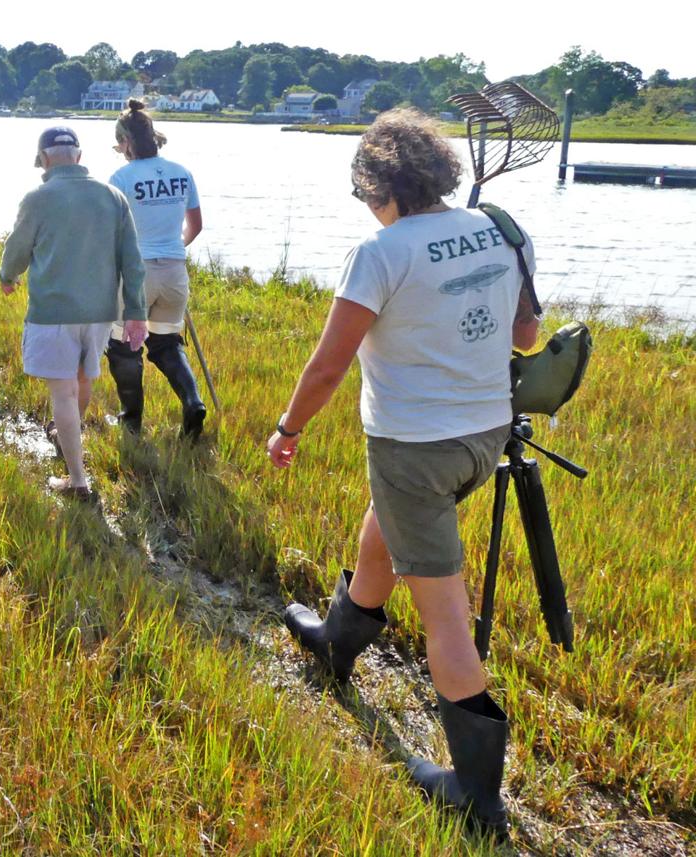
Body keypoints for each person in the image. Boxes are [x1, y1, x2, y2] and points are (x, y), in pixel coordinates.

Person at [266, 109, 540, 835]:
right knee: (383, 532)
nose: (367, 209)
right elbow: (525, 333)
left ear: (381, 186)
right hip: (483, 435)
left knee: (443, 611)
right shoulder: (505, 232)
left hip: (415, 446)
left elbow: (329, 363)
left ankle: (475, 793)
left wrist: (288, 428)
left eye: (365, 195)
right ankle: (335, 640)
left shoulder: (381, 252)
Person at [0, 126, 148, 502]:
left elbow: (17, 250)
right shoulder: (112, 196)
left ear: (44, 159)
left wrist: (7, 276)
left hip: (54, 312)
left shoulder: (38, 197)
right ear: (79, 157)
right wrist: (136, 313)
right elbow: (133, 261)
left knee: (63, 392)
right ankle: (70, 439)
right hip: (99, 314)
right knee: (82, 381)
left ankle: (77, 481)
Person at [107, 99, 206, 439]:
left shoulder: (121, 176)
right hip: (174, 273)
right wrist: (173, 249)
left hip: (137, 275)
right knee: (166, 345)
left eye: (119, 144)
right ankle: (193, 402)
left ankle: (131, 420)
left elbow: (110, 231)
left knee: (123, 346)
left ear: (127, 142)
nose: (119, 150)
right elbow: (195, 226)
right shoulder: (182, 173)